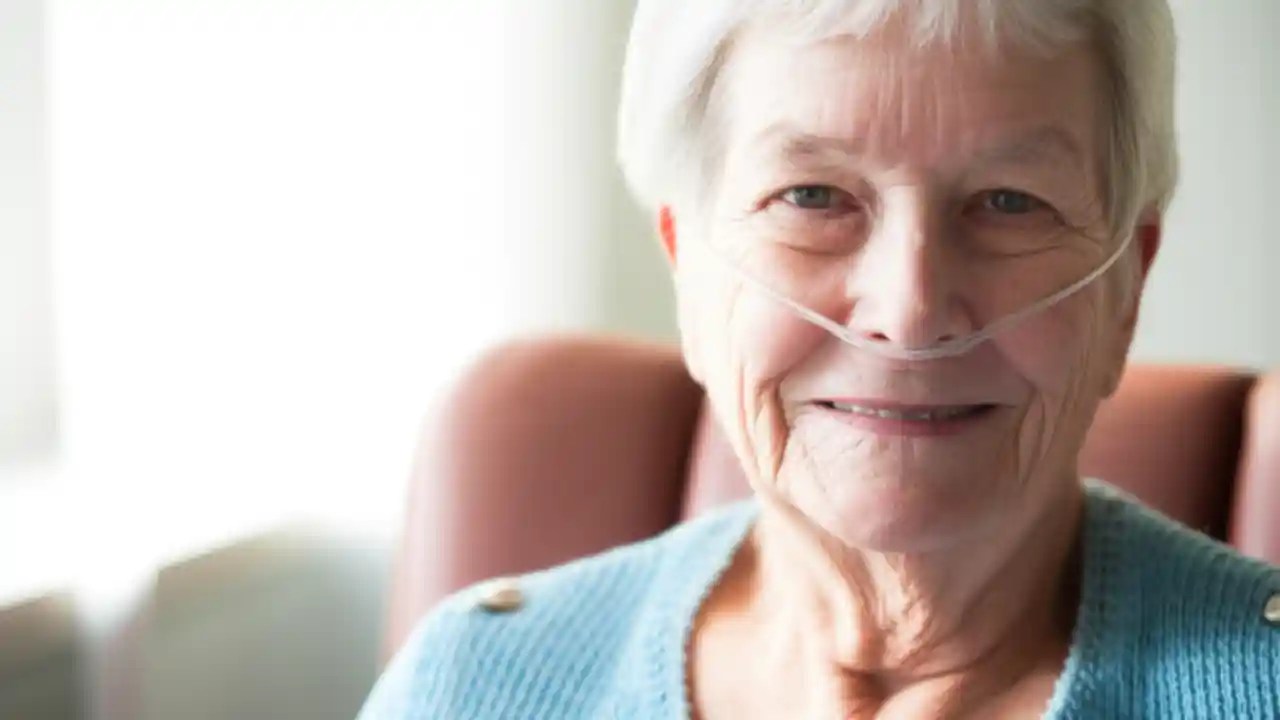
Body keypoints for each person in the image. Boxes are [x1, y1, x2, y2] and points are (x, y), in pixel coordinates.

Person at [359, 1, 1280, 717]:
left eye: (1008, 201)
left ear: (1127, 290)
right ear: (687, 268)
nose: (909, 313)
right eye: (811, 196)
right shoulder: (473, 684)